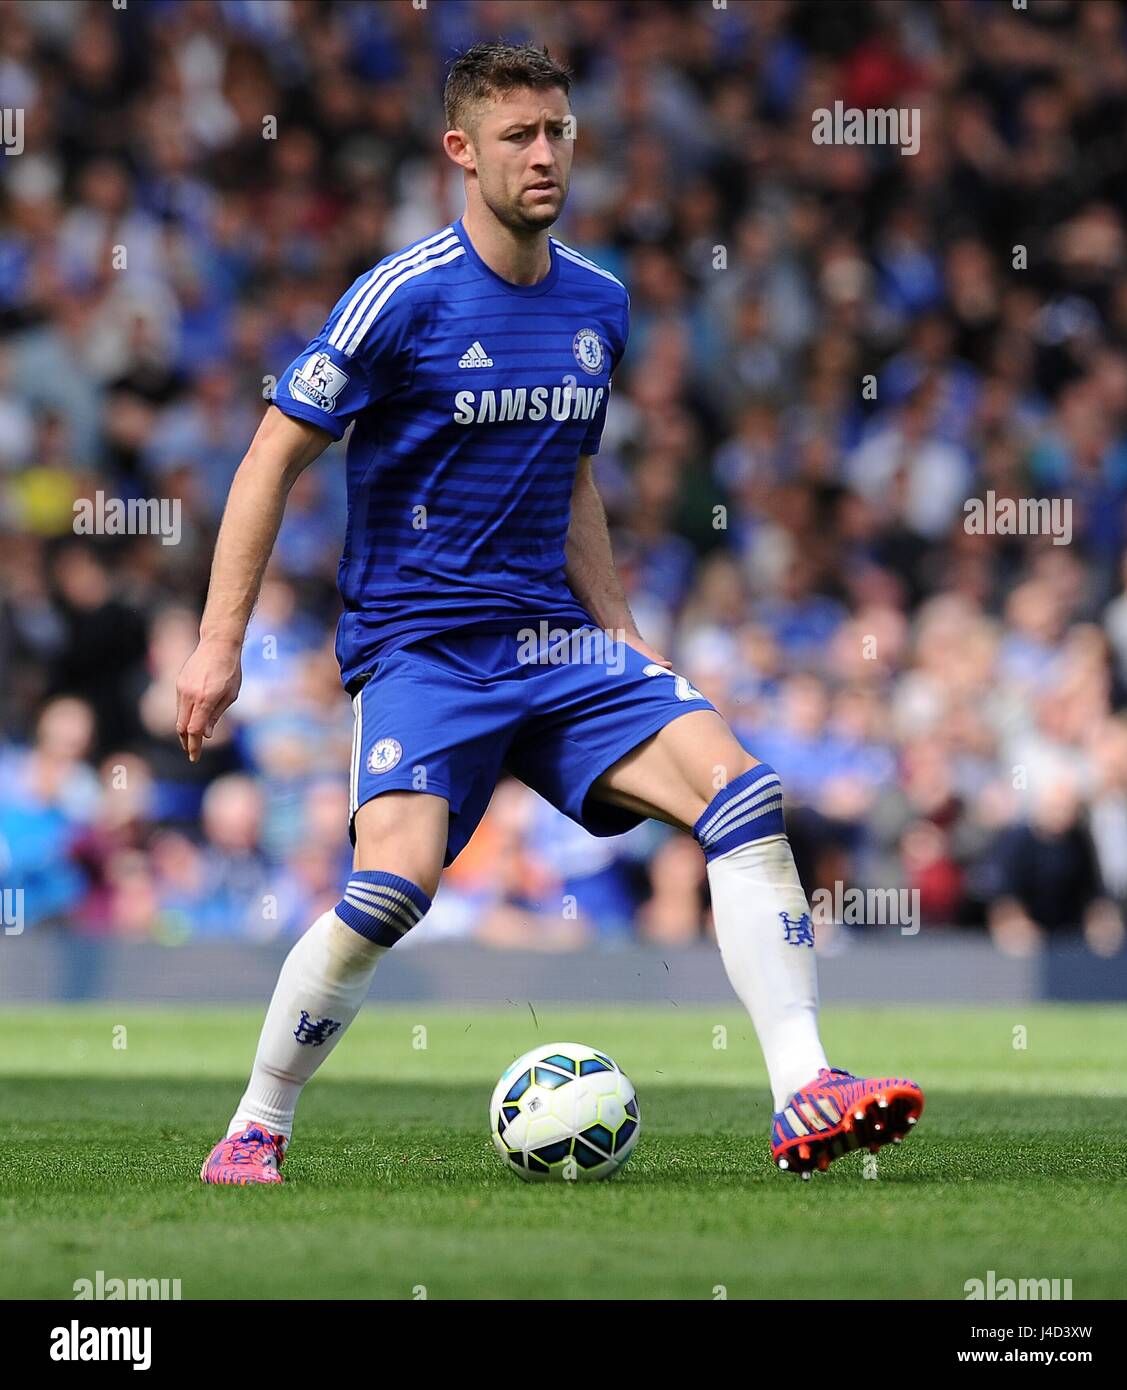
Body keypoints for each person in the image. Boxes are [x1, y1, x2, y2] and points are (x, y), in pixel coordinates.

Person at [176, 41, 922, 1185]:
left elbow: (568, 469)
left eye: (558, 131)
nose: (544, 154)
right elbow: (271, 456)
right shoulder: (402, 295)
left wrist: (616, 625)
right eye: (517, 135)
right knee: (390, 889)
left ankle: (803, 1089)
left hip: (557, 645)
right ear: (459, 151)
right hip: (424, 650)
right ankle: (256, 1124)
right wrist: (220, 641)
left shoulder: (599, 300)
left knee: (742, 790)